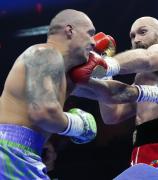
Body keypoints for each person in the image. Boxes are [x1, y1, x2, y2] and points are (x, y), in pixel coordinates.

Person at [69, 17, 158, 179]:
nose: (137, 39)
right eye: (132, 36)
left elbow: (146, 58)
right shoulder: (141, 79)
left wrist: (103, 64)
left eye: (143, 32)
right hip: (141, 152)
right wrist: (84, 79)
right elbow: (113, 115)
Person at [0, 9, 104, 179]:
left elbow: (111, 95)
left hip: (19, 152)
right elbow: (44, 111)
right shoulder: (45, 53)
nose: (93, 42)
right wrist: (78, 125)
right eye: (90, 33)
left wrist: (111, 68)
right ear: (70, 30)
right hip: (10, 150)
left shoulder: (62, 75)